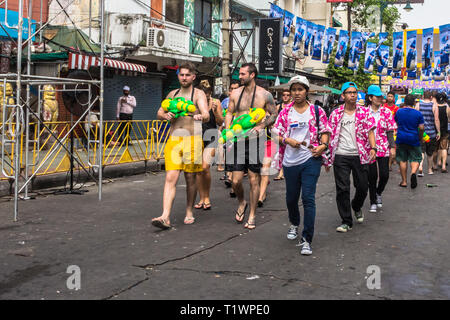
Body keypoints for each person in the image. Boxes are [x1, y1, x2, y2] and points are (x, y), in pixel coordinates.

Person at [272, 75, 331, 255]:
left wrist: (323, 145)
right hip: (290, 161)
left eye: (300, 89)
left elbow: (326, 131)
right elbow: (274, 133)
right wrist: (286, 140)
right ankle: (294, 223)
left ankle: (307, 239)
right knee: (291, 199)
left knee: (308, 198)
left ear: (307, 91)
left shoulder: (317, 111)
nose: (296, 93)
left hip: (310, 159)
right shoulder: (285, 112)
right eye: (294, 89)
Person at [152, 62, 209, 229]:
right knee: (171, 177)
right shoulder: (172, 94)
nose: (184, 78)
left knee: (190, 178)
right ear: (178, 76)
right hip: (174, 140)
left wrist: (201, 116)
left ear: (193, 77)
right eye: (181, 75)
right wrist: (165, 115)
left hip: (193, 140)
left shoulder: (198, 94)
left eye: (187, 75)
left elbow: (205, 113)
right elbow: (159, 112)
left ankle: (189, 211)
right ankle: (165, 216)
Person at [225, 63, 278, 230]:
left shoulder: (265, 95)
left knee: (254, 179)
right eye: (239, 74)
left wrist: (262, 126)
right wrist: (227, 131)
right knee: (235, 181)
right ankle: (242, 202)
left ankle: (253, 215)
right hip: (237, 140)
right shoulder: (235, 93)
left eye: (242, 74)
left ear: (252, 74)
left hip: (256, 141)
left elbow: (274, 114)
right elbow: (229, 113)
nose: (239, 77)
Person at [328, 82, 377, 233]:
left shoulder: (364, 112)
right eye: (349, 92)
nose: (353, 95)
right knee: (342, 189)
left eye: (355, 92)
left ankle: (356, 206)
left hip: (360, 155)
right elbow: (328, 133)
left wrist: (373, 147)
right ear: (343, 96)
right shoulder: (336, 113)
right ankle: (346, 221)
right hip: (341, 155)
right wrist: (326, 154)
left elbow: (370, 131)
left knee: (363, 187)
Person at [365, 85, 397, 213]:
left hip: (383, 147)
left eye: (380, 97)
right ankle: (373, 201)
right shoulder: (363, 112)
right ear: (370, 98)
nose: (380, 99)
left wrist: (392, 147)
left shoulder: (386, 112)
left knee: (384, 175)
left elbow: (390, 131)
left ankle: (378, 192)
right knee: (372, 176)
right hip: (368, 149)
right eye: (377, 97)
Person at [194, 80, 224, 210]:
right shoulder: (195, 103)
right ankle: (201, 198)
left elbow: (220, 121)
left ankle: (206, 197)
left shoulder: (216, 102)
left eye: (206, 93)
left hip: (211, 136)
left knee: (205, 167)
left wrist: (216, 111)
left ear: (210, 93)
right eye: (202, 93)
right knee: (199, 170)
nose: (204, 96)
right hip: (196, 136)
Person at [395, 94, 425, 188]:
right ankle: (412, 173)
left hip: (401, 138)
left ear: (405, 102)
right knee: (415, 158)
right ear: (413, 102)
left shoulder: (399, 111)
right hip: (413, 138)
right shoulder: (418, 113)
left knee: (403, 159)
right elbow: (421, 128)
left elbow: (396, 122)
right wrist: (420, 137)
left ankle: (404, 181)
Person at [417, 91, 440, 176]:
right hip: (431, 133)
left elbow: (416, 118)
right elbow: (436, 120)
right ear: (431, 97)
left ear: (423, 96)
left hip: (421, 133)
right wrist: (439, 132)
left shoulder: (418, 105)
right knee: (430, 153)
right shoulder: (434, 106)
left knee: (422, 151)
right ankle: (430, 170)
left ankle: (420, 167)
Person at [273, 88, 293, 181]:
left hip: (290, 132)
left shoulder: (292, 107)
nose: (285, 96)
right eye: (284, 95)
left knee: (287, 151)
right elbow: (275, 118)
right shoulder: (278, 106)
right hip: (280, 133)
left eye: (287, 95)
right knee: (280, 151)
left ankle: (283, 172)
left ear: (290, 97)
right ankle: (281, 172)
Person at [435, 92, 450, 173]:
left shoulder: (434, 106)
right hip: (444, 130)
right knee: (444, 148)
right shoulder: (447, 107)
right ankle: (443, 166)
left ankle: (435, 165)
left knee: (435, 149)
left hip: (435, 130)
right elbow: (449, 118)